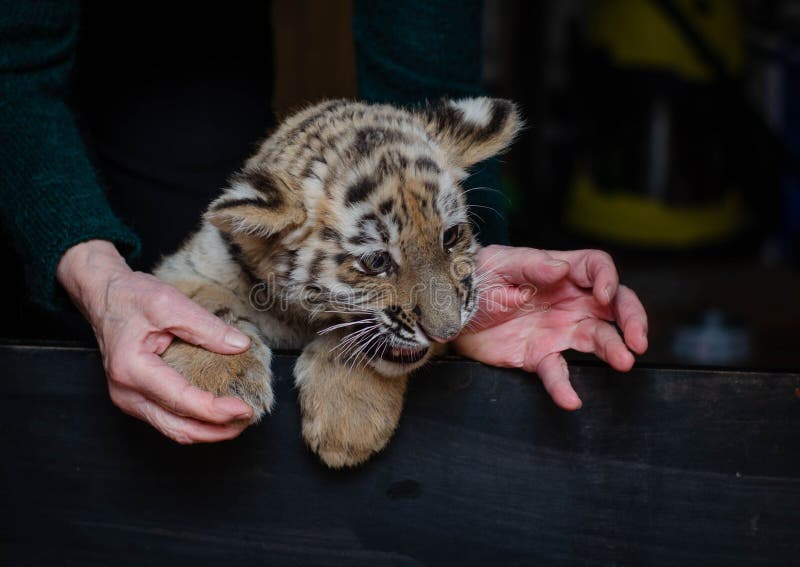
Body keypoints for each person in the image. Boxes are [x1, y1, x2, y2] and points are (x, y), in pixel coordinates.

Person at [1, 1, 647, 444]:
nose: (444, 316)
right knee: (138, 339)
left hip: (216, 36)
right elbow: (11, 65)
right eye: (374, 261)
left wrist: (470, 264)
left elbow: (425, 73)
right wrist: (101, 281)